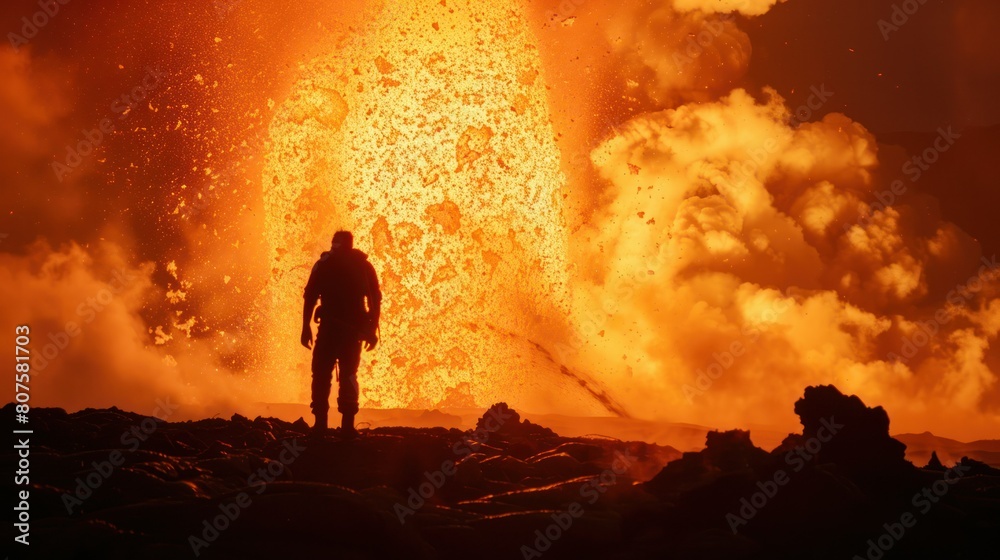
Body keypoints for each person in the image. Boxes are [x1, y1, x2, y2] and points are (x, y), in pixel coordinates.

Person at [301, 230, 381, 437]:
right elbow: (375, 301)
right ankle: (341, 425)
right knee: (345, 375)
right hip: (347, 331)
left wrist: (305, 327)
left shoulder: (326, 265)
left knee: (325, 374)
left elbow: (310, 297)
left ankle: (325, 425)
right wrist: (371, 330)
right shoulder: (362, 266)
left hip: (334, 330)